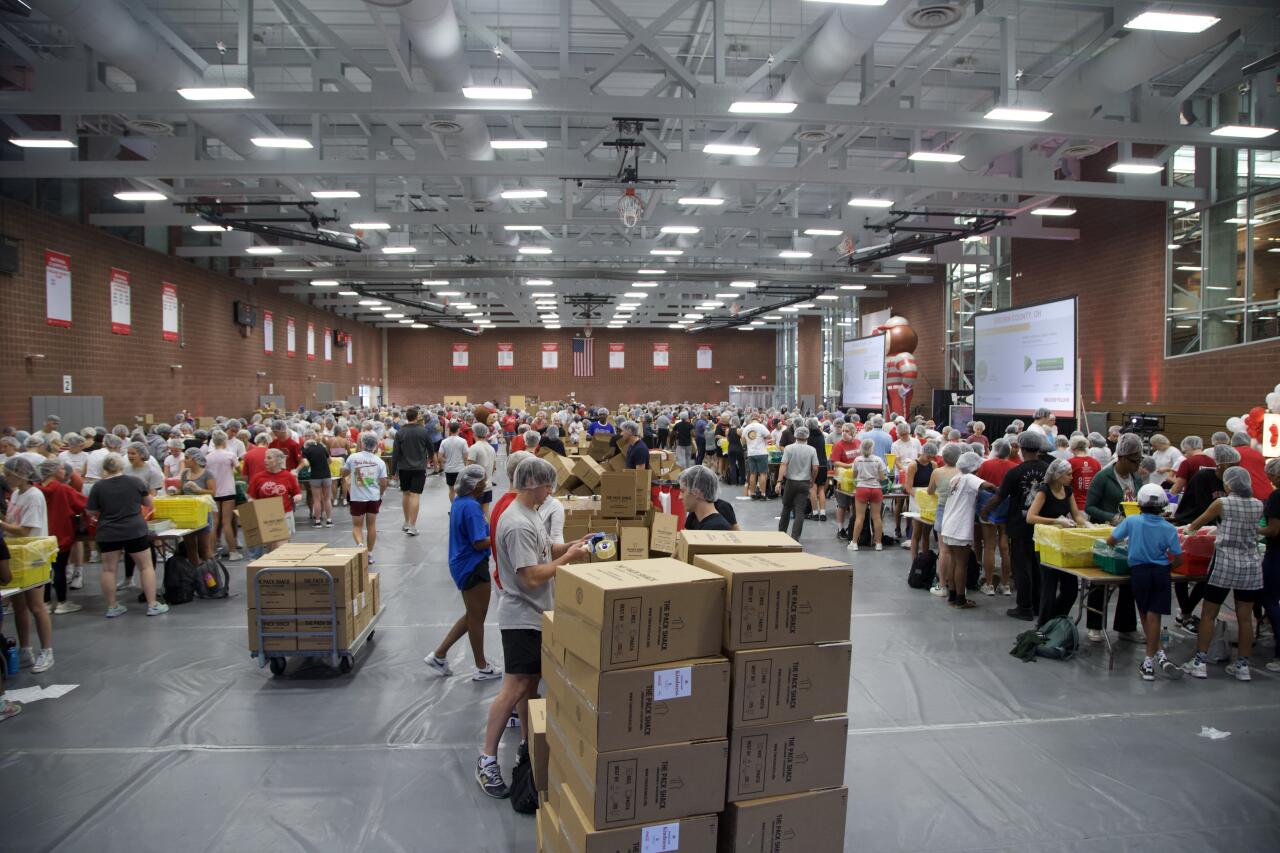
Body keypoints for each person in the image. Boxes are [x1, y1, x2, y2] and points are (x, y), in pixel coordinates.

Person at [478, 457, 587, 799]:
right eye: (547, 484)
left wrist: (569, 547)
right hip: (522, 617)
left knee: (529, 686)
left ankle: (528, 744)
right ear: (531, 484)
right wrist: (566, 561)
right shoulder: (516, 523)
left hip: (537, 613)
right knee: (514, 687)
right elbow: (529, 578)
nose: (551, 490)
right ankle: (487, 759)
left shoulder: (532, 513)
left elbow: (544, 550)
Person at [1180, 467, 1263, 681]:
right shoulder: (1258, 504)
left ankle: (1200, 662)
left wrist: (1185, 532)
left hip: (1225, 562)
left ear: (1229, 483)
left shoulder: (1222, 503)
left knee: (1209, 614)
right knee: (1245, 618)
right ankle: (1243, 666)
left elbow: (1196, 525)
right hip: (1250, 564)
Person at [425, 464, 501, 682]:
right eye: (483, 481)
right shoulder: (472, 508)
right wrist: (501, 537)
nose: (485, 484)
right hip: (473, 565)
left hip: (461, 563)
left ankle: (439, 654)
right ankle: (482, 666)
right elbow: (478, 542)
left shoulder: (459, 502)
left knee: (471, 615)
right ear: (474, 485)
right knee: (477, 617)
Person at [1107, 484, 1184, 680]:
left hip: (1139, 572)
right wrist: (1167, 566)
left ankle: (1149, 662)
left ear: (1139, 504)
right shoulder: (1169, 528)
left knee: (1144, 613)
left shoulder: (1132, 521)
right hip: (1161, 573)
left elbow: (1111, 540)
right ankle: (1159, 655)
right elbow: (1178, 557)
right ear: (1163, 506)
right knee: (1154, 615)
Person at [86, 453, 167, 618]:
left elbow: (90, 511)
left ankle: (112, 606)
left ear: (105, 468)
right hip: (134, 529)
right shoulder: (135, 482)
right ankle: (152, 604)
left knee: (109, 569)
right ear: (121, 466)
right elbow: (149, 503)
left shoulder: (98, 487)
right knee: (145, 566)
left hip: (108, 531)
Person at [983, 431, 1050, 621]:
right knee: (1038, 567)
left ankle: (1024, 607)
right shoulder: (1048, 470)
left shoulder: (1015, 472)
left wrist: (985, 510)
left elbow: (1000, 496)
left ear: (1021, 448)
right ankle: (1038, 605)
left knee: (1021, 567)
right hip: (1042, 526)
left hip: (1020, 525)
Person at [2, 457, 56, 671]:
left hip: (34, 557)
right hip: (19, 554)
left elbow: (25, 530)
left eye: (9, 475)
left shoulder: (34, 496)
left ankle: (46, 651)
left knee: (36, 605)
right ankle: (25, 649)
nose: (6, 478)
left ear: (21, 475)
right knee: (19, 606)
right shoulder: (17, 494)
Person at [1026, 458, 1091, 625]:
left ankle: (1056, 618)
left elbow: (1076, 514)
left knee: (1070, 588)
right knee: (1049, 586)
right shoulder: (1044, 491)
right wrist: (1055, 521)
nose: (1072, 477)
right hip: (1045, 544)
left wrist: (1087, 525)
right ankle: (1044, 623)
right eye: (1068, 474)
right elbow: (1031, 517)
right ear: (1058, 475)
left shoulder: (1067, 490)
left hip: (1062, 543)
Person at [936, 452, 996, 609]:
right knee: (962, 564)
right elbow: (988, 486)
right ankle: (961, 599)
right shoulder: (969, 478)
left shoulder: (956, 478)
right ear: (974, 467)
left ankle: (953, 596)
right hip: (960, 526)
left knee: (954, 561)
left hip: (949, 524)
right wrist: (1001, 492)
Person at [36, 459, 87, 615]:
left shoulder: (36, 490)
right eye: (62, 468)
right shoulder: (63, 489)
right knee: (59, 569)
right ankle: (61, 602)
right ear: (54, 471)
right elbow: (84, 504)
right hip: (60, 534)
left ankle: (45, 602)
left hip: (39, 536)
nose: (65, 472)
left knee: (43, 571)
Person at [975, 439, 1017, 595]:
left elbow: (979, 486)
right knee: (1005, 548)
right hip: (1007, 510)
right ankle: (1005, 585)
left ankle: (989, 584)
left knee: (989, 546)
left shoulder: (986, 465)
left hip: (988, 509)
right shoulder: (1014, 467)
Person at [344, 433, 388, 562]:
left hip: (357, 497)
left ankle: (360, 544)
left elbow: (344, 473)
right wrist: (380, 493)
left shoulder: (353, 458)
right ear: (375, 446)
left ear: (362, 444)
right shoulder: (379, 461)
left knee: (357, 526)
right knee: (371, 525)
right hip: (373, 497)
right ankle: (369, 553)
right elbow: (384, 482)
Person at [247, 449, 302, 552]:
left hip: (284, 514)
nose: (265, 460)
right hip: (267, 515)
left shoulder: (288, 476)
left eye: (269, 458)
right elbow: (252, 497)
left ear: (278, 460)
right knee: (271, 548)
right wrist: (251, 502)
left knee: (281, 546)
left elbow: (297, 492)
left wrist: (297, 497)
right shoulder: (258, 477)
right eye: (265, 458)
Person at [391, 406, 430, 535]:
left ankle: (406, 522)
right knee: (415, 495)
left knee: (406, 494)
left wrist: (393, 472)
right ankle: (412, 526)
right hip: (419, 468)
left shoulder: (400, 432)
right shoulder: (423, 431)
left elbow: (395, 454)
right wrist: (430, 460)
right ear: (417, 417)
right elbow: (430, 448)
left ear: (406, 417)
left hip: (404, 468)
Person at [775, 425, 818, 540]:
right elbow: (815, 467)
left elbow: (783, 464)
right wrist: (812, 480)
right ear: (807, 436)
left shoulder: (789, 448)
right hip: (804, 482)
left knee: (786, 508)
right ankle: (795, 537)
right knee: (800, 511)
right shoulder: (812, 450)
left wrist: (779, 481)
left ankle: (781, 533)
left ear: (795, 435)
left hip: (790, 482)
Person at [205, 431, 243, 557]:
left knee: (214, 523)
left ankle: (212, 552)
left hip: (214, 491)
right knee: (227, 522)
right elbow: (240, 471)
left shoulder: (208, 457)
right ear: (224, 441)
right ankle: (233, 552)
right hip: (228, 491)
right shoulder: (230, 455)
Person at [848, 438, 889, 552]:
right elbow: (882, 477)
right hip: (876, 489)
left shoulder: (858, 460)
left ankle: (854, 543)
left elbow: (854, 476)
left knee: (859, 517)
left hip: (862, 488)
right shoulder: (878, 460)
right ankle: (878, 543)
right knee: (876, 517)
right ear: (872, 448)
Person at [1259, 457, 1280, 673]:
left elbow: (1273, 530)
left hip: (1276, 553)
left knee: (1270, 599)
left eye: (1271, 476)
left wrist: (1254, 529)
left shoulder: (1276, 496)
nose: (1270, 480)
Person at [905, 440, 938, 562]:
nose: (930, 459)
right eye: (928, 456)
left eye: (932, 457)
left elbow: (935, 484)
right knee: (916, 533)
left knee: (926, 533)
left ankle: (925, 560)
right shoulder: (913, 465)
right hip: (917, 499)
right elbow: (908, 487)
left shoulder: (933, 465)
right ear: (922, 453)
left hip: (929, 499)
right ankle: (914, 561)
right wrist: (920, 497)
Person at [828, 424, 859, 542]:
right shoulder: (838, 445)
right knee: (842, 504)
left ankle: (852, 527)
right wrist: (849, 465)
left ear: (853, 433)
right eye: (843, 431)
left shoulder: (858, 443)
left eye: (847, 431)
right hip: (842, 479)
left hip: (856, 478)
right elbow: (835, 462)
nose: (844, 433)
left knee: (855, 505)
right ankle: (840, 529)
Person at [679, 465, 731, 531]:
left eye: (682, 491)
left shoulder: (717, 528)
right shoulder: (694, 515)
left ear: (697, 493)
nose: (679, 497)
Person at [299, 431, 334, 528]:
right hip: (326, 475)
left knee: (316, 499)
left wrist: (311, 463)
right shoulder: (322, 447)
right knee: (327, 498)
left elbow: (306, 463)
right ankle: (329, 520)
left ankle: (317, 522)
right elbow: (330, 461)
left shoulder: (306, 451)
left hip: (315, 476)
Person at [1230, 431, 1273, 500]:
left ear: (1232, 441)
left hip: (1248, 495)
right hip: (1267, 493)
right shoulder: (1258, 454)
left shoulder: (1232, 453)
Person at [1066, 435, 1101, 511]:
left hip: (1075, 506)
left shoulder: (1069, 463)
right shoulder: (1096, 463)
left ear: (1073, 447)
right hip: (1094, 506)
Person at [742, 418, 771, 500]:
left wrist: (750, 442)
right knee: (762, 474)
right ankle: (763, 494)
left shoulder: (746, 428)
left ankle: (753, 493)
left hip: (751, 453)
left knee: (752, 474)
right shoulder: (760, 426)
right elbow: (769, 436)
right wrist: (763, 437)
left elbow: (743, 441)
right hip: (761, 452)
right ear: (758, 421)